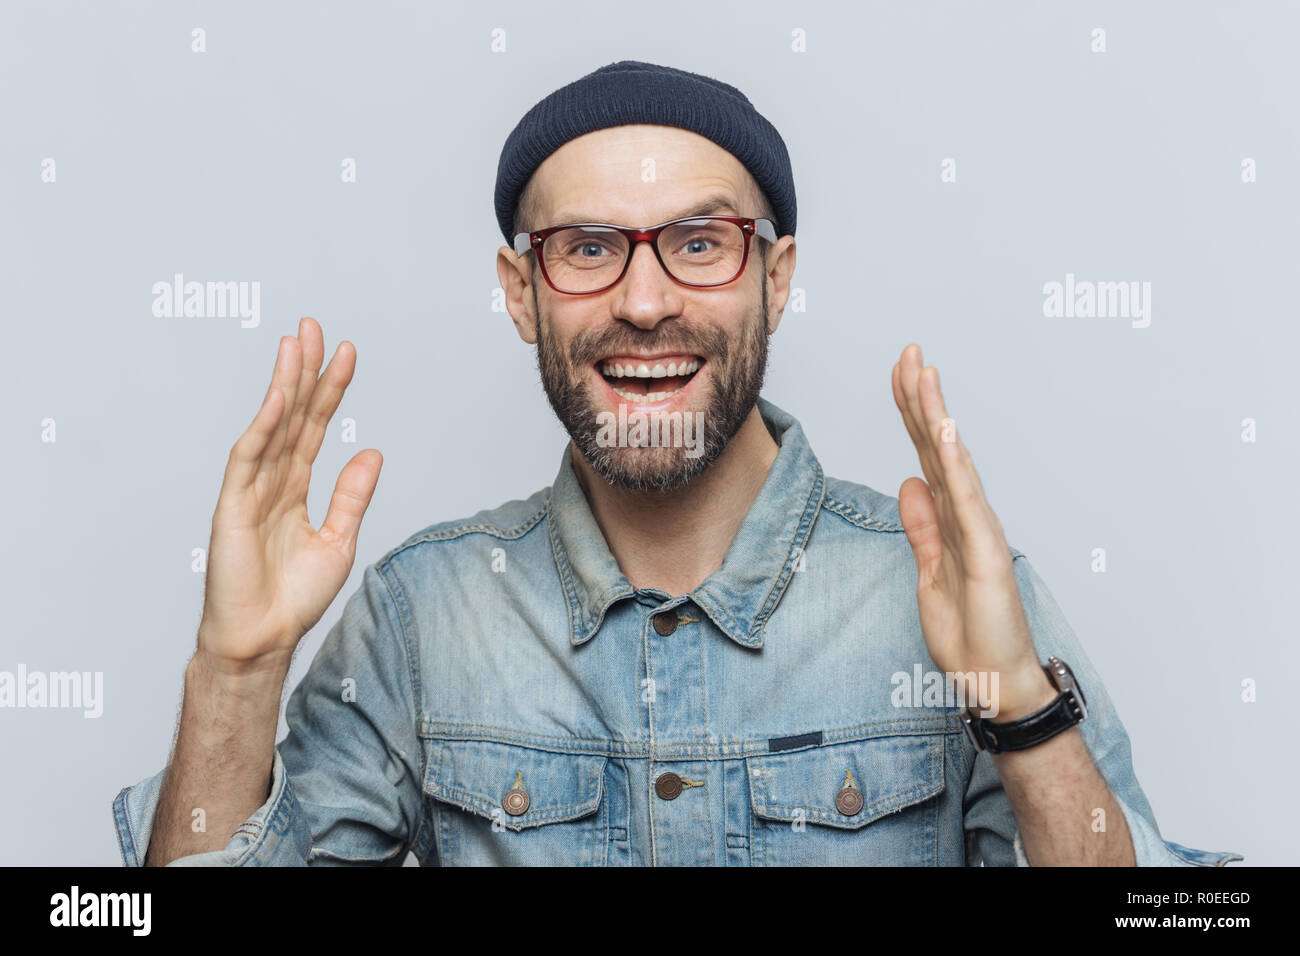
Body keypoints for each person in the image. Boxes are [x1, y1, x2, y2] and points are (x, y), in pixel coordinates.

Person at [114, 60, 1242, 867]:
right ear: (522, 294)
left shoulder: (948, 594)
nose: (643, 301)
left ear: (777, 277)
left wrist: (1017, 707)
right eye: (588, 249)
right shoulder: (420, 616)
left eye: (700, 244)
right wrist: (236, 670)